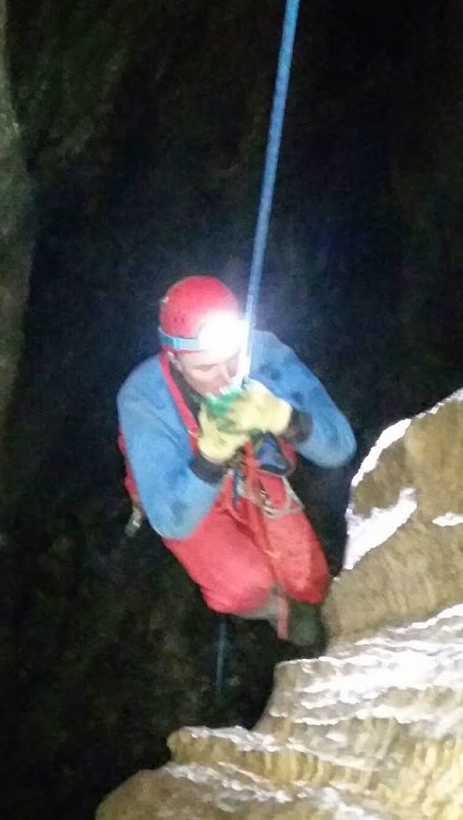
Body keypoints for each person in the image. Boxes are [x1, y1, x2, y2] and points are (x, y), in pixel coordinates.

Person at [116, 275, 355, 646]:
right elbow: (171, 519)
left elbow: (339, 446)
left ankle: (303, 616)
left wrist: (282, 417)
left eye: (232, 360)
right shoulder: (145, 397)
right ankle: (273, 611)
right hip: (185, 486)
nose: (226, 378)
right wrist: (210, 456)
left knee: (306, 578)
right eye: (206, 369)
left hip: (253, 469)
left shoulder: (264, 356)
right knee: (242, 584)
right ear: (175, 360)